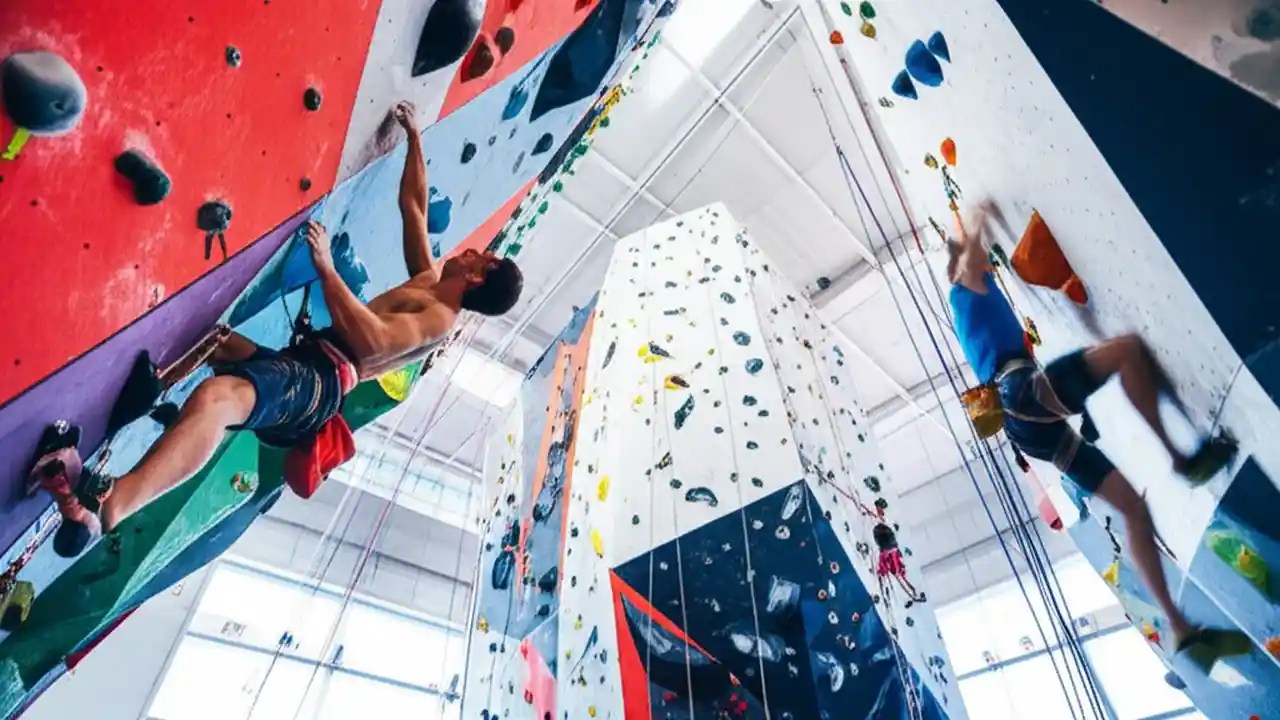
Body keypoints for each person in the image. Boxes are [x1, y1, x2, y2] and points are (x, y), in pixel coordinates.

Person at [44, 101, 523, 550]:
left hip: (320, 385)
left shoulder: (439, 319)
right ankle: (124, 434)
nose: (476, 250)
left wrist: (327, 268)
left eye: (485, 256)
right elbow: (414, 207)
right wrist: (416, 138)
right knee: (219, 344)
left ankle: (120, 499)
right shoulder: (431, 281)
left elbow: (372, 341)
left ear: (480, 275)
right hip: (311, 363)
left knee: (220, 399)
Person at [946, 201, 1242, 666]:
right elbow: (966, 259)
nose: (985, 262)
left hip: (1028, 428)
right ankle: (1180, 459)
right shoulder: (964, 291)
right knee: (1125, 351)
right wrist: (978, 218)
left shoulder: (972, 305)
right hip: (1022, 392)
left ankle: (1180, 629)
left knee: (1134, 508)